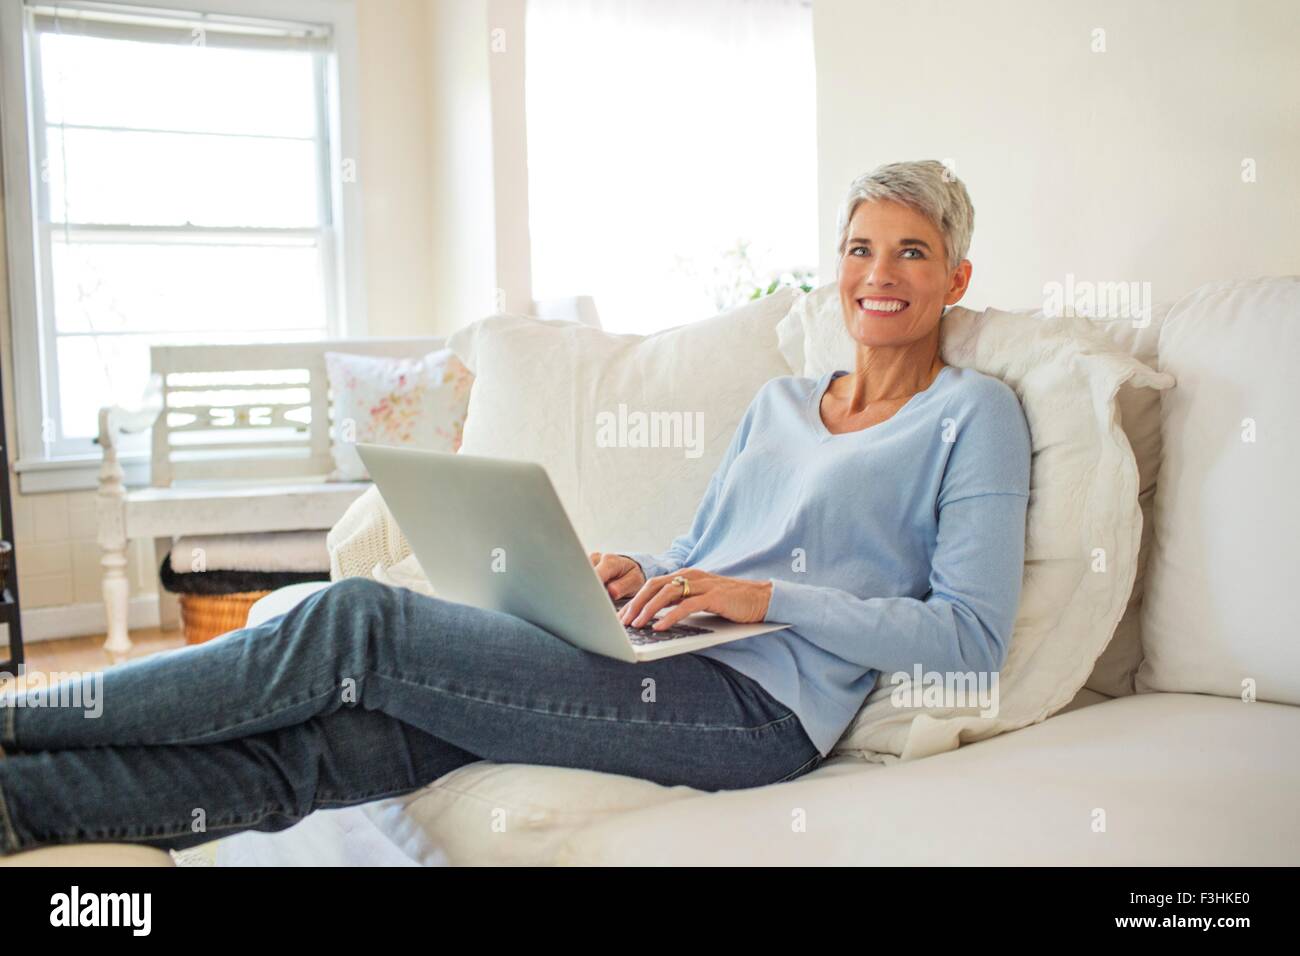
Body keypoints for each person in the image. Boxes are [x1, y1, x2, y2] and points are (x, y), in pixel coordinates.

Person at [0, 159, 1030, 856]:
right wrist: (641, 569)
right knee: (340, 745)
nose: (878, 274)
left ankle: (20, 719)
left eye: (909, 252)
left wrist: (766, 598)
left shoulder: (972, 415)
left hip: (759, 712)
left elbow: (970, 637)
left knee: (354, 619)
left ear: (954, 276)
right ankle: (19, 805)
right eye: (859, 247)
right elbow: (701, 546)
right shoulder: (781, 400)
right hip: (665, 648)